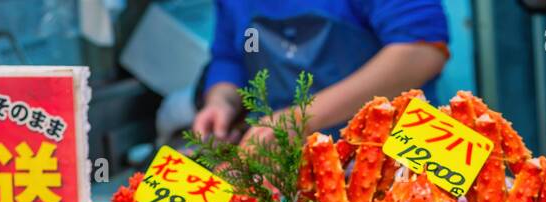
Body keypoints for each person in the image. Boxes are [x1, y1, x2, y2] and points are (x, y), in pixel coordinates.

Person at [192, 0, 449, 146]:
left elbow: (422, 52)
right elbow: (236, 54)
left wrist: (301, 118)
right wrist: (221, 101)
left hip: (402, 145)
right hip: (285, 156)